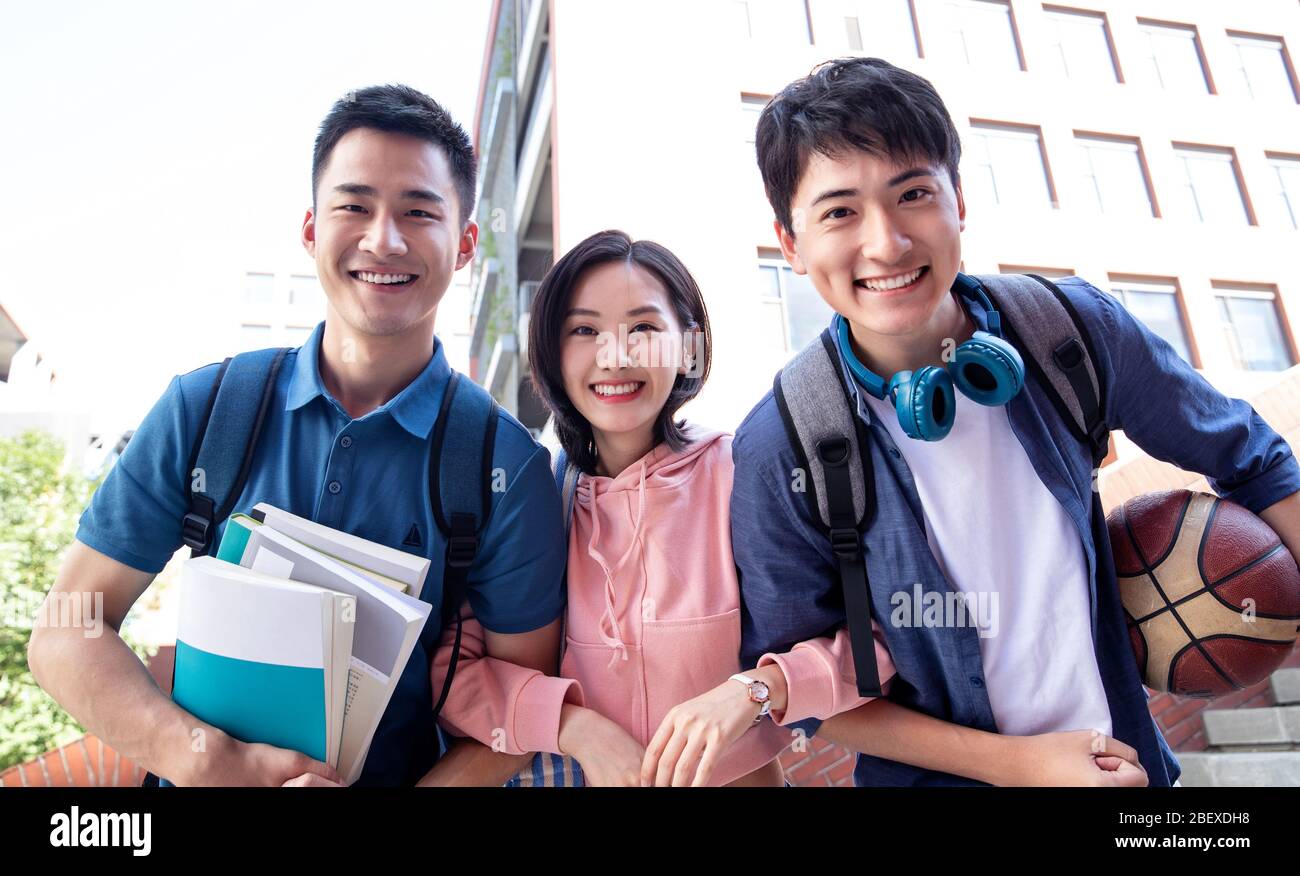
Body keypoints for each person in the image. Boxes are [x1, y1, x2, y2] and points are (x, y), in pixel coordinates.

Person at [727, 57, 1300, 786]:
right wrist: (1021, 766)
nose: (887, 243)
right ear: (790, 243)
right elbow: (810, 697)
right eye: (839, 211)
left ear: (958, 199)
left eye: (913, 194)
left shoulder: (1068, 331)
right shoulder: (782, 442)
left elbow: (1255, 459)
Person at [426, 230, 1152, 787]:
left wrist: (758, 688)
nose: (613, 355)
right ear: (552, 355)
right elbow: (457, 676)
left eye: (644, 327)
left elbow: (876, 639)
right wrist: (575, 726)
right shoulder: (528, 499)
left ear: (690, 347)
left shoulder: (748, 468)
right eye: (583, 331)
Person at [27, 84, 568, 787]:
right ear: (311, 229)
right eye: (354, 206)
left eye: (418, 211)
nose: (384, 239)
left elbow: (519, 714)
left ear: (465, 244)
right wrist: (201, 757)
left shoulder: (505, 467)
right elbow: (67, 627)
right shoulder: (206, 409)